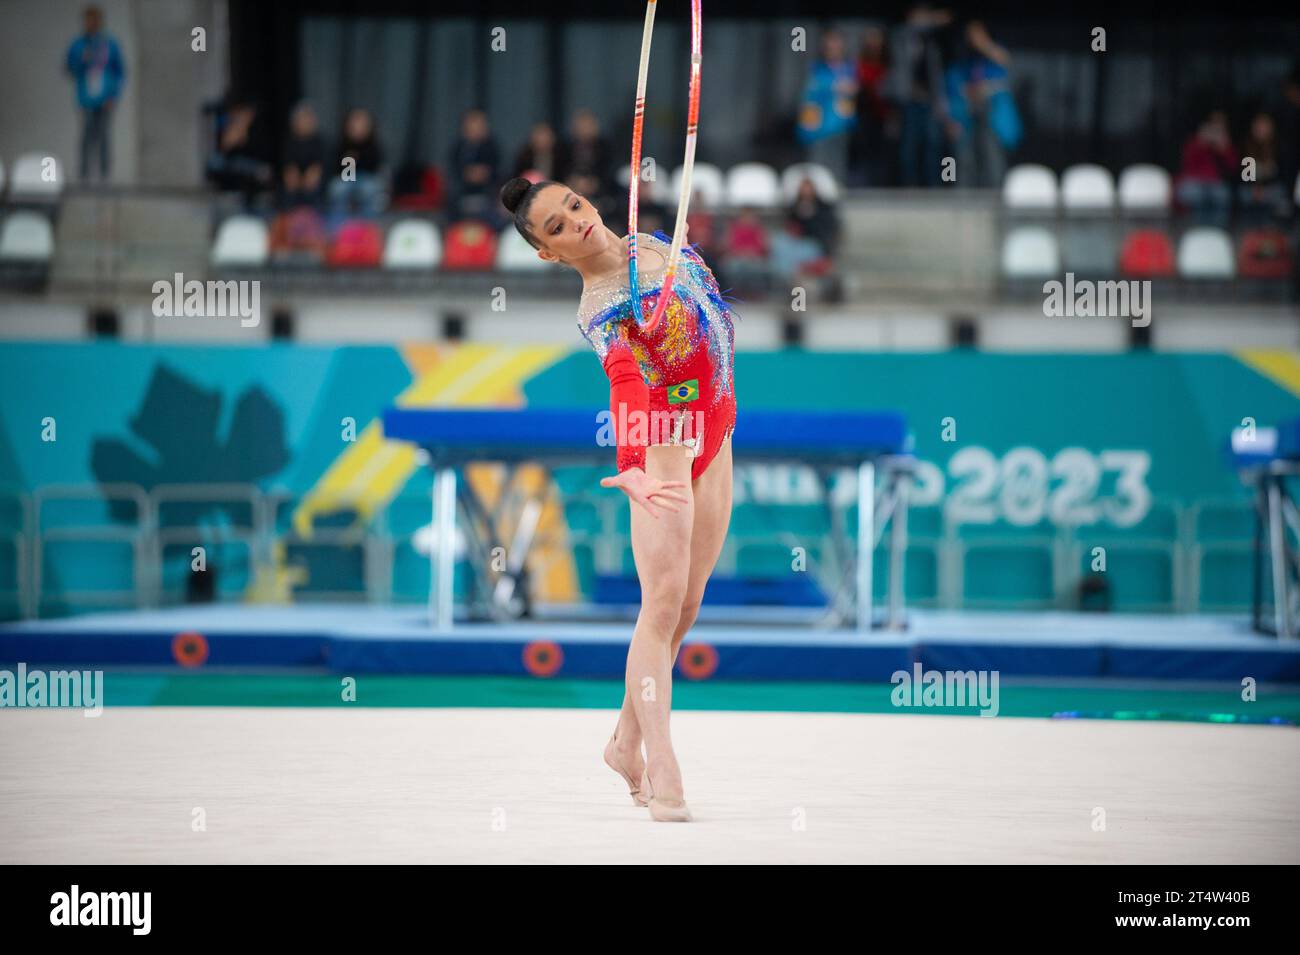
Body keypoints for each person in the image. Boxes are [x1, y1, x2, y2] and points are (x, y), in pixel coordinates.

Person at [498, 176, 739, 822]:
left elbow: (710, 311)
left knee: (687, 604)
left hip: (717, 425)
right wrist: (630, 463)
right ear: (548, 254)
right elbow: (628, 383)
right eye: (555, 227)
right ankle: (661, 763)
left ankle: (623, 740)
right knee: (660, 607)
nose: (574, 221)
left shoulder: (655, 244)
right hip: (661, 438)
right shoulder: (602, 305)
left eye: (572, 205)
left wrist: (685, 251)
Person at [64, 5, 125, 182]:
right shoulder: (78, 45)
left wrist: (113, 95)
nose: (90, 23)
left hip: (105, 99)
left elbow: (120, 72)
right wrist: (81, 60)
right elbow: (69, 68)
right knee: (86, 137)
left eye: (94, 20)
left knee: (104, 136)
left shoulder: (110, 45)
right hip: (86, 99)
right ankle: (84, 176)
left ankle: (105, 176)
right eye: (87, 20)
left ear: (100, 22)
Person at [796, 29, 859, 188]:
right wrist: (834, 87)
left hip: (842, 126)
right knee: (819, 169)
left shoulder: (849, 68)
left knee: (839, 169)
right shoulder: (815, 68)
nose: (833, 49)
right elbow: (809, 93)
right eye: (830, 46)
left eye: (836, 45)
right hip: (819, 128)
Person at [1175, 109, 1237, 228]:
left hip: (1215, 182)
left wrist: (1224, 149)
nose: (1216, 129)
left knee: (1222, 195)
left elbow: (1234, 167)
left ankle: (1218, 230)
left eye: (1220, 126)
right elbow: (1187, 163)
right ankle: (1196, 229)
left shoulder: (1226, 144)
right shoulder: (1195, 142)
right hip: (1194, 180)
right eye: (1213, 125)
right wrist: (1201, 143)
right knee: (1195, 193)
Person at [329, 108, 386, 217]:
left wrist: (359, 157)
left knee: (369, 189)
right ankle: (339, 223)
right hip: (348, 177)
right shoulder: (343, 144)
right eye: (355, 123)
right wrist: (349, 157)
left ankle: (367, 223)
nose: (358, 127)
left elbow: (375, 168)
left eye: (361, 123)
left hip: (367, 178)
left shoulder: (373, 144)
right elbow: (342, 171)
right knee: (338, 189)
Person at [448, 108, 502, 224]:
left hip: (488, 193)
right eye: (472, 126)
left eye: (479, 126)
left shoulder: (492, 147)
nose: (475, 130)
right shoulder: (458, 148)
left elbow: (498, 171)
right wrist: (467, 174)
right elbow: (454, 170)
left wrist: (484, 174)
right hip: (462, 193)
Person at [281, 101, 325, 209]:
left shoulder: (322, 142)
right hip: (294, 184)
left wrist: (315, 173)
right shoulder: (288, 143)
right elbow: (287, 165)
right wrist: (291, 174)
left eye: (308, 118)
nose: (305, 122)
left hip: (316, 183)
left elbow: (323, 165)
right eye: (301, 119)